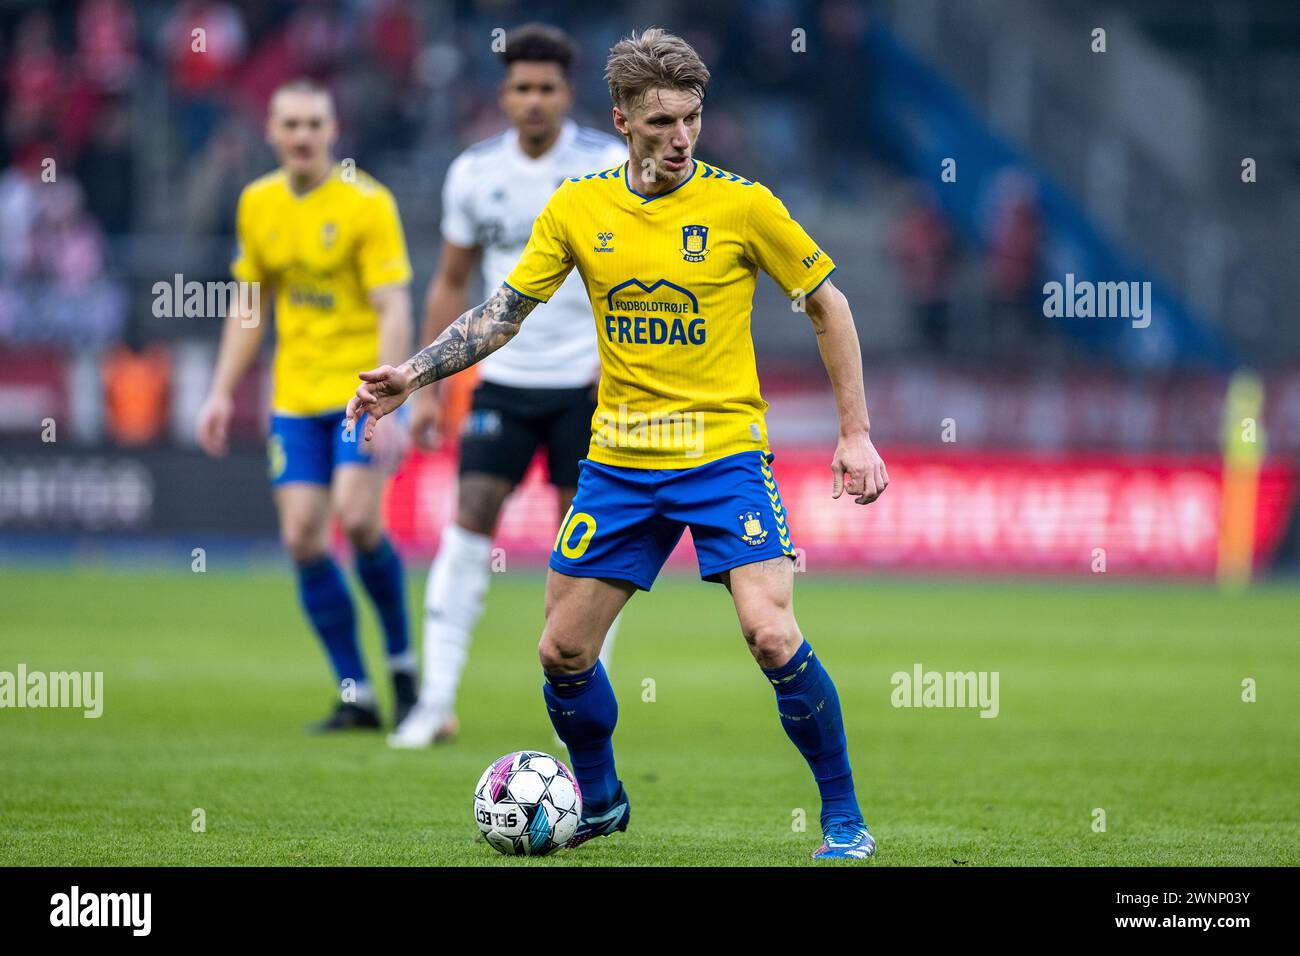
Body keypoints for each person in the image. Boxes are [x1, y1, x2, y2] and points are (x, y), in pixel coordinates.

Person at [347, 29, 889, 860]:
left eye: (694, 119)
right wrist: (415, 376)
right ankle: (599, 802)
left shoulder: (743, 205)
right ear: (623, 119)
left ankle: (845, 822)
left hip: (724, 460)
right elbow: (503, 313)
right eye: (664, 121)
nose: (681, 138)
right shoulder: (577, 207)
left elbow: (829, 305)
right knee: (563, 650)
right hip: (621, 466)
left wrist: (855, 433)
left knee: (771, 633)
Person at [391, 24, 627, 749]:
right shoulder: (473, 173)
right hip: (503, 381)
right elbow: (453, 282)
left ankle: (577, 718)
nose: (533, 101)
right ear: (503, 95)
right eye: (521, 88)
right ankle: (434, 703)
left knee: (584, 551)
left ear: (567, 94)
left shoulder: (608, 166)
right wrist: (428, 389)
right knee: (469, 521)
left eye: (546, 88)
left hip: (587, 387)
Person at [197, 79, 417, 733]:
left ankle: (403, 668)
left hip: (356, 393)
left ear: (333, 130)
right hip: (294, 397)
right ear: (270, 129)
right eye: (289, 124)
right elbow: (250, 305)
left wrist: (391, 400)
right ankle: (356, 691)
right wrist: (218, 391)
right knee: (300, 538)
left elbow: (393, 306)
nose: (301, 136)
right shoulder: (257, 203)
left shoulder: (367, 202)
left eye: (313, 124)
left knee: (357, 519)